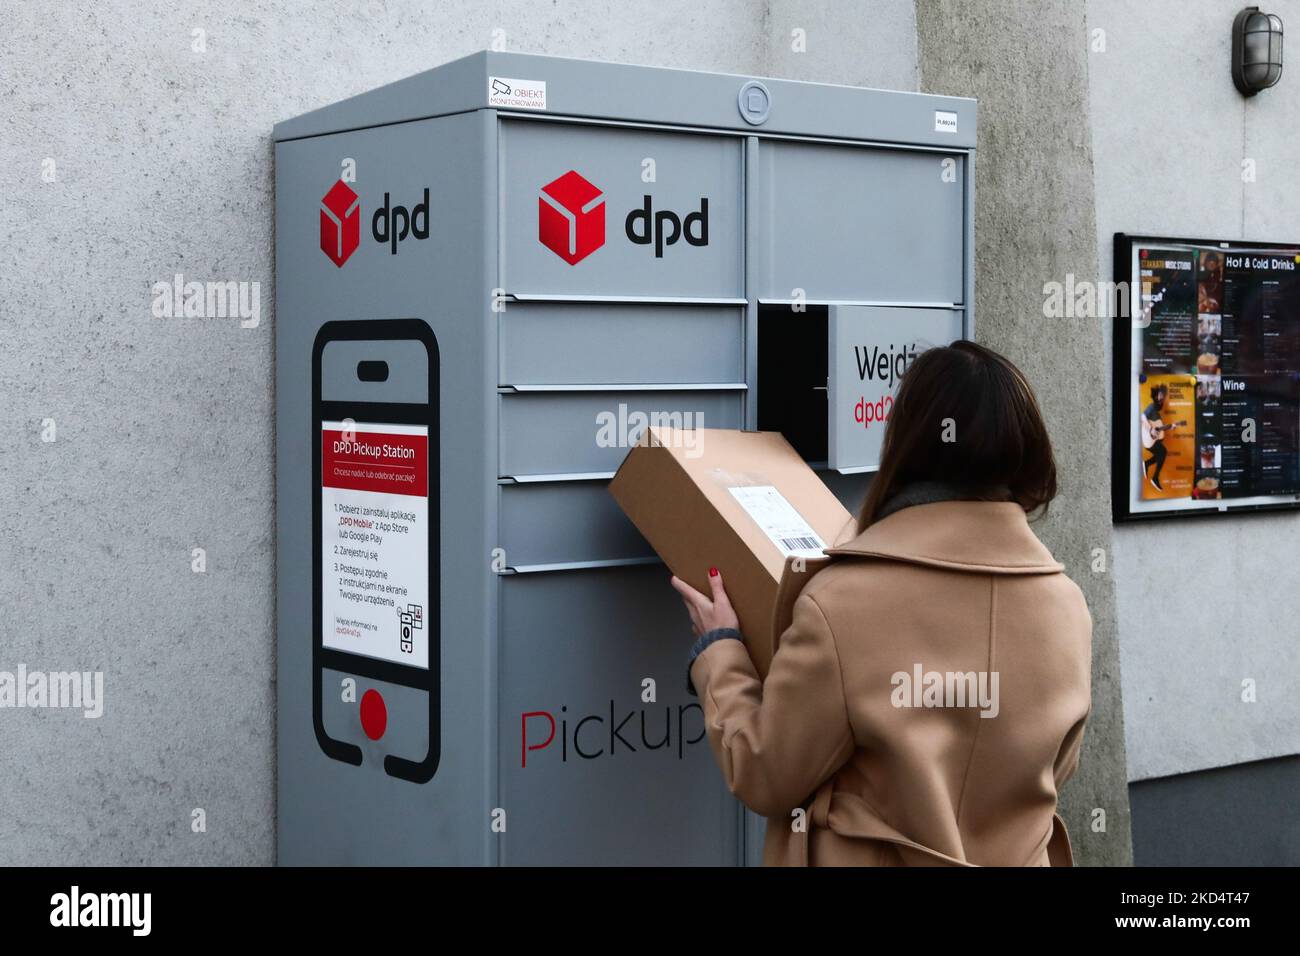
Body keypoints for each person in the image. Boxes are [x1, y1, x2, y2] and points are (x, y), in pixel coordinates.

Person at [671, 341, 1093, 866]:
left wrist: (721, 651)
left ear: (908, 441)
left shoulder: (842, 604)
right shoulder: (1068, 606)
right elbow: (1054, 769)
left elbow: (765, 774)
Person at [1142, 384, 1170, 491]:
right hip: (1148, 438)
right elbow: (1143, 416)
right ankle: (1155, 478)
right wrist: (1150, 429)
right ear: (1156, 394)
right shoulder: (1152, 406)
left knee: (1161, 454)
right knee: (1163, 452)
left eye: (1164, 395)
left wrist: (1169, 427)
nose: (1162, 397)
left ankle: (1147, 464)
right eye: (1160, 394)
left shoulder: (1156, 410)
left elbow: (1158, 428)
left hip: (1151, 440)